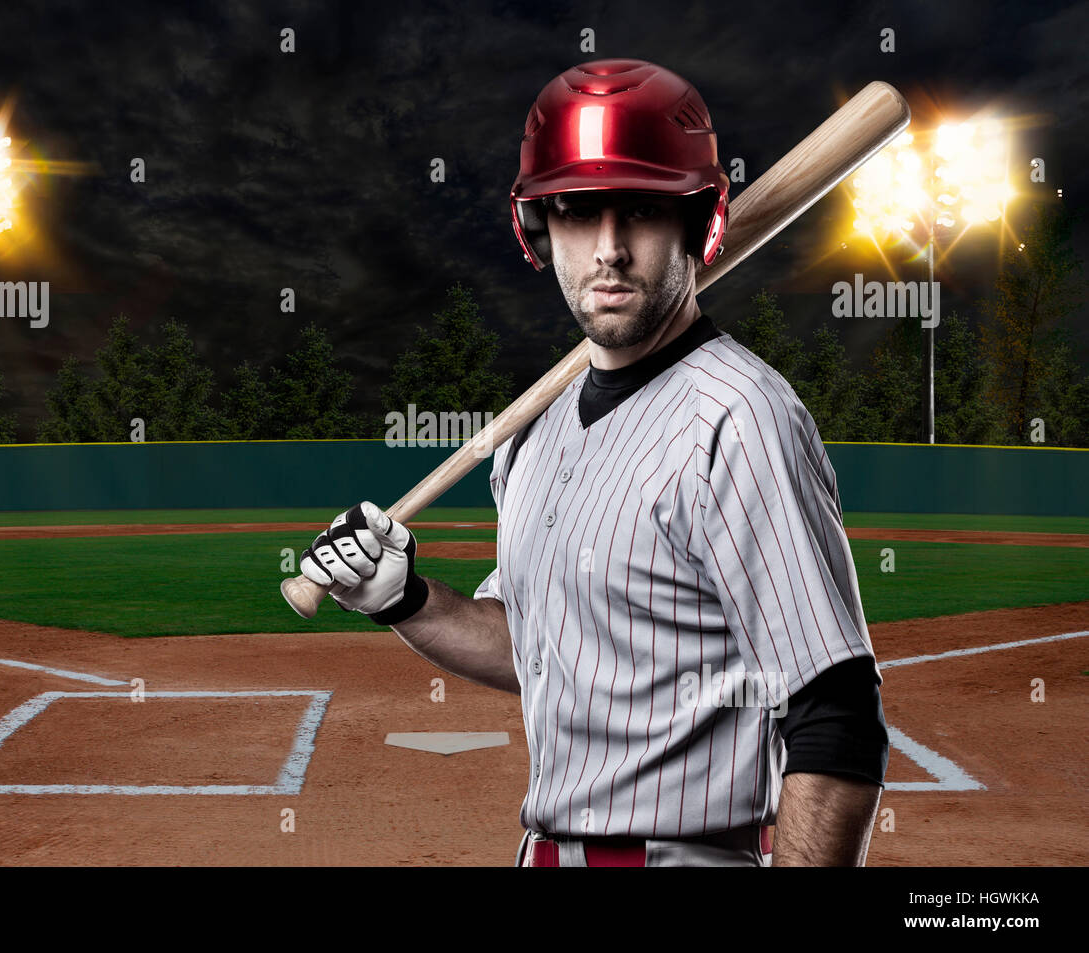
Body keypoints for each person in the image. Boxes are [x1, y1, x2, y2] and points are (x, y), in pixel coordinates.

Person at [299, 59, 888, 867]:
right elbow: (539, 649)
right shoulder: (531, 431)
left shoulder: (741, 417)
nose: (608, 250)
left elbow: (837, 715)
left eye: (642, 209)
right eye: (577, 212)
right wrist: (402, 600)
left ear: (698, 223)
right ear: (538, 229)